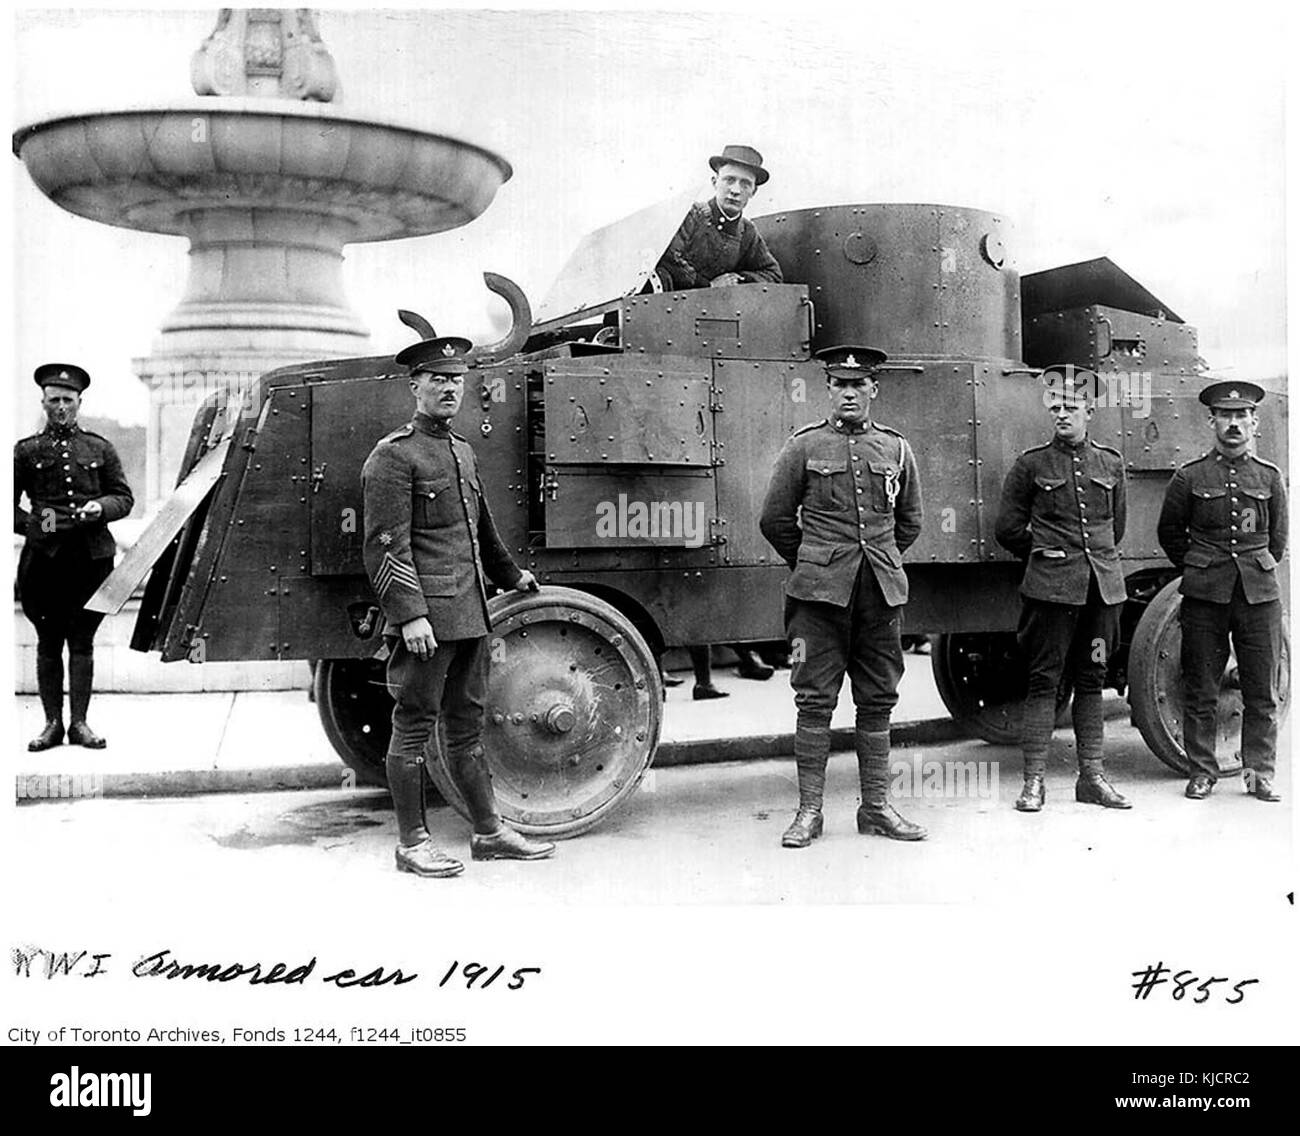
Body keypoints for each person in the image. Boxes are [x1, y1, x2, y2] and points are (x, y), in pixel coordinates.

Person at [362, 336, 556, 878]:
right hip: (429, 620)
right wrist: (409, 614)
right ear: (414, 386)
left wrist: (511, 575)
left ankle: (489, 833)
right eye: (438, 379)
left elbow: (480, 530)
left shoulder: (460, 450)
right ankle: (411, 843)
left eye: (457, 380)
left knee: (467, 727)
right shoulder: (394, 455)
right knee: (414, 726)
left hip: (471, 613)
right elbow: (384, 544)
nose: (449, 388)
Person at [760, 346, 926, 847]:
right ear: (828, 388)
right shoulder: (803, 447)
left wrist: (879, 560)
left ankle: (875, 807)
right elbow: (774, 520)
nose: (848, 393)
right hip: (818, 601)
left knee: (878, 700)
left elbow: (910, 520)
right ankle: (810, 811)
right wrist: (815, 562)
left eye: (858, 384)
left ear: (874, 389)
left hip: (880, 596)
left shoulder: (896, 449)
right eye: (839, 384)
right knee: (814, 701)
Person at [994, 365, 1130, 812]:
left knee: (1092, 678)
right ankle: (1033, 782)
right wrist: (1046, 551)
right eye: (1056, 407)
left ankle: (1092, 776)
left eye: (1071, 406)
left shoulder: (1110, 464)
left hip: (1100, 595)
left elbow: (1118, 525)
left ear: (1089, 409)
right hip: (1051, 594)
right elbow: (1008, 528)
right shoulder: (1031, 464)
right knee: (1043, 682)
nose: (1062, 414)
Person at [1156, 380, 1287, 802]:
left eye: (1241, 416)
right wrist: (1198, 566)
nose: (1233, 424)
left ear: (1254, 422)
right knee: (1201, 687)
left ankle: (1259, 773)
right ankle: (1202, 772)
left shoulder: (1269, 476)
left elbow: (1278, 540)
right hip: (1205, 596)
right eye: (1225, 416)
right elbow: (1170, 533)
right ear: (1212, 421)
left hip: (1258, 597)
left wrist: (1253, 567)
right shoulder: (1189, 477)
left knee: (1261, 689)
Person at [14, 363, 133, 751]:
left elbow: (124, 498)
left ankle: (80, 724)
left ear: (79, 402)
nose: (61, 407)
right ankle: (52, 725)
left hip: (90, 560)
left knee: (82, 642)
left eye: (68, 400)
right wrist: (41, 524)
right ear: (44, 403)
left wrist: (100, 508)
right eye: (54, 401)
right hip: (43, 562)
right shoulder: (27, 451)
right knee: (48, 642)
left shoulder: (99, 448)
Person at [652, 144, 782, 292]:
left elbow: (773, 274)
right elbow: (669, 258)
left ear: (754, 191)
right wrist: (709, 286)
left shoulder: (747, 231)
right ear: (715, 182)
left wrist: (739, 279)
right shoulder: (691, 214)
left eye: (745, 184)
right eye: (729, 180)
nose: (735, 190)